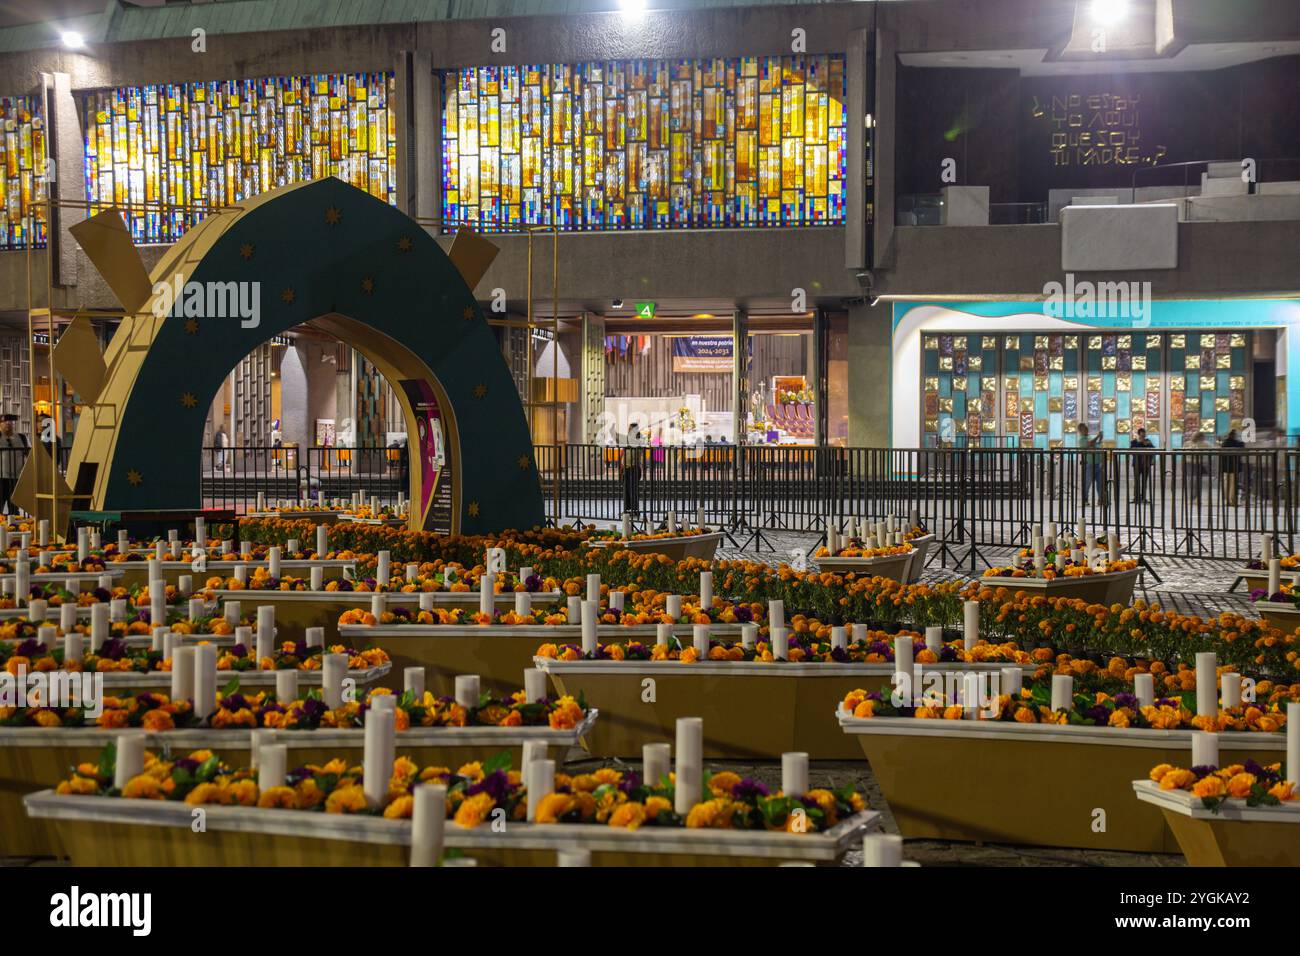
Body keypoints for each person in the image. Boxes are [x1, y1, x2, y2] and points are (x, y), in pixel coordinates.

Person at [0, 415, 28, 515]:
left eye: (11, 421)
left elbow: (28, 455)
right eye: (5, 421)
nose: (8, 423)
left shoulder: (22, 437)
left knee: (14, 507)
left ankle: (14, 526)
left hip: (16, 478)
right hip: (1, 477)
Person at [1077, 422, 1105, 506]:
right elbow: (1091, 444)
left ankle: (1101, 499)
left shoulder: (1088, 437)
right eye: (1085, 429)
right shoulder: (1082, 439)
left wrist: (1100, 438)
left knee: (1100, 483)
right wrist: (1097, 436)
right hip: (1089, 464)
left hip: (1097, 463)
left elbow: (1096, 445)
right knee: (1087, 483)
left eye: (1087, 428)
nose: (1087, 430)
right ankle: (1085, 499)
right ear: (1080, 430)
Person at [1130, 427, 1155, 504]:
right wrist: (1140, 442)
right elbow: (1132, 450)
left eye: (1144, 435)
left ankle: (1144, 497)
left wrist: (1148, 445)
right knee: (1137, 481)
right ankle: (1136, 497)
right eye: (1142, 435)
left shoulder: (1148, 442)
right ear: (1139, 434)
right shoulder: (1134, 441)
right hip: (1137, 464)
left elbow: (1153, 449)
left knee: (1144, 481)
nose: (1143, 437)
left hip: (1146, 465)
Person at [1220, 428, 1245, 506]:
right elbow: (1242, 447)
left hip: (1225, 467)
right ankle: (1232, 501)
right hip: (1234, 467)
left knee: (1226, 484)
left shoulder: (1224, 443)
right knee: (1233, 485)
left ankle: (1226, 500)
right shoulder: (1237, 443)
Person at [1184, 432, 1208, 507]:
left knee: (1193, 482)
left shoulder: (1187, 443)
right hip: (1195, 464)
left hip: (1192, 464)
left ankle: (1194, 498)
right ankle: (1195, 498)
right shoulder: (1204, 444)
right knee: (1196, 482)